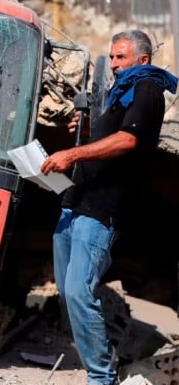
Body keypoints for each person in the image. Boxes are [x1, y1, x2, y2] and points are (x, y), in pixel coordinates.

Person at [41, 29, 178, 385]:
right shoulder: (120, 93)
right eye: (112, 57)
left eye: (121, 57)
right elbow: (106, 140)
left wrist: (72, 152)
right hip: (77, 201)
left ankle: (101, 376)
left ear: (142, 60)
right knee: (69, 288)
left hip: (102, 209)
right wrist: (86, 130)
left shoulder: (147, 88)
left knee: (77, 290)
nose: (114, 64)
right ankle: (106, 351)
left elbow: (129, 139)